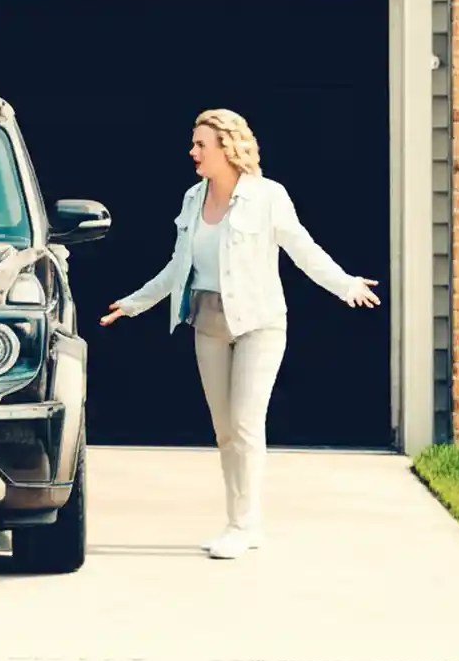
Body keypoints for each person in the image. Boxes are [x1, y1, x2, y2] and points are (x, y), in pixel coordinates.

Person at [99, 109, 380, 560]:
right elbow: (178, 267)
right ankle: (240, 522)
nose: (192, 152)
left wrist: (345, 284)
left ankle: (243, 525)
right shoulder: (193, 197)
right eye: (193, 144)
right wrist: (134, 304)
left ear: (226, 148)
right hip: (206, 321)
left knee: (247, 426)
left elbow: (302, 248)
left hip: (259, 322)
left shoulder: (268, 196)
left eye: (200, 145)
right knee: (225, 430)